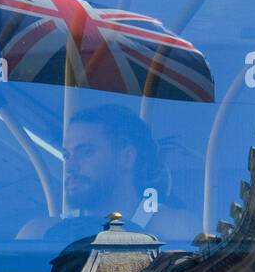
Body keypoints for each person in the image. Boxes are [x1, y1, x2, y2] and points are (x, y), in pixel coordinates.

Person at [20, 104, 197, 243]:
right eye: (67, 155)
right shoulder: (37, 235)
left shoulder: (178, 232)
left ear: (126, 157)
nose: (70, 166)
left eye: (86, 152)